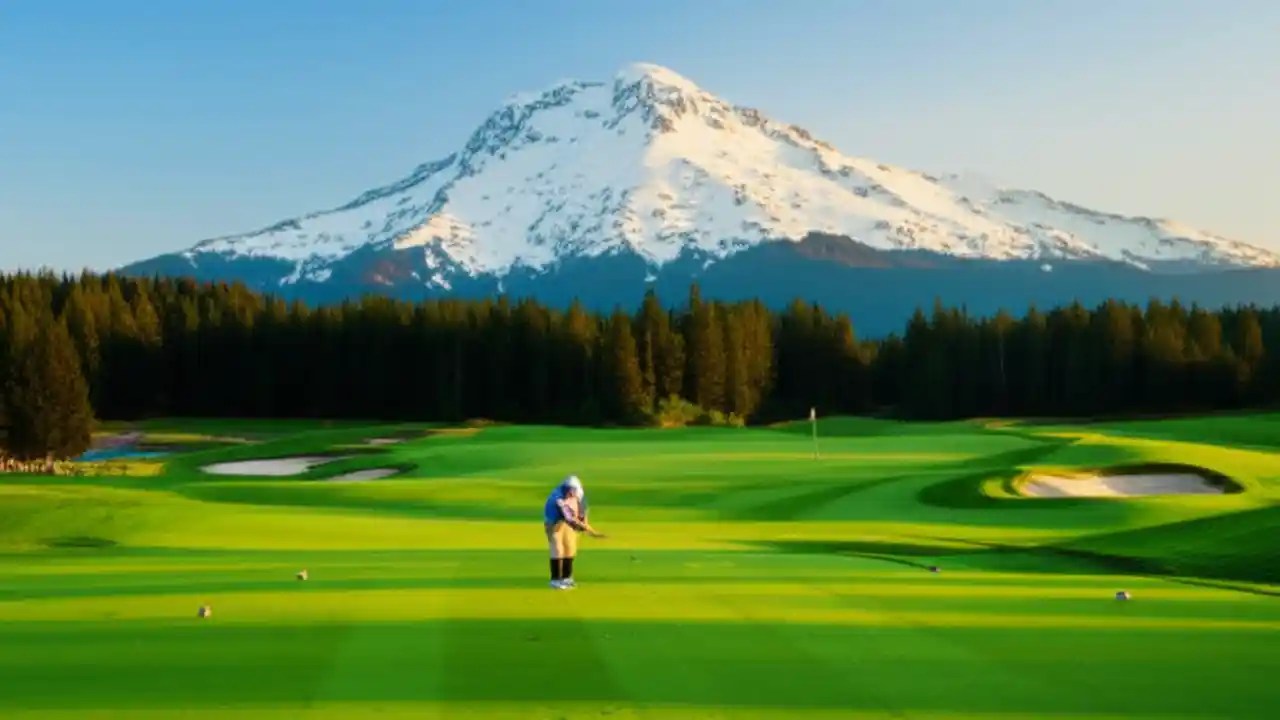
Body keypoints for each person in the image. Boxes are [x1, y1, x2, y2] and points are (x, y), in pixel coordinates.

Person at [543, 475, 603, 589]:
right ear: (568, 490)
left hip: (567, 521)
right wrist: (591, 532)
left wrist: (586, 523)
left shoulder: (579, 495)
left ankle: (566, 578)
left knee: (570, 547)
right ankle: (555, 580)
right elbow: (571, 520)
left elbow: (583, 512)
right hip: (553, 523)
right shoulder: (558, 500)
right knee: (557, 548)